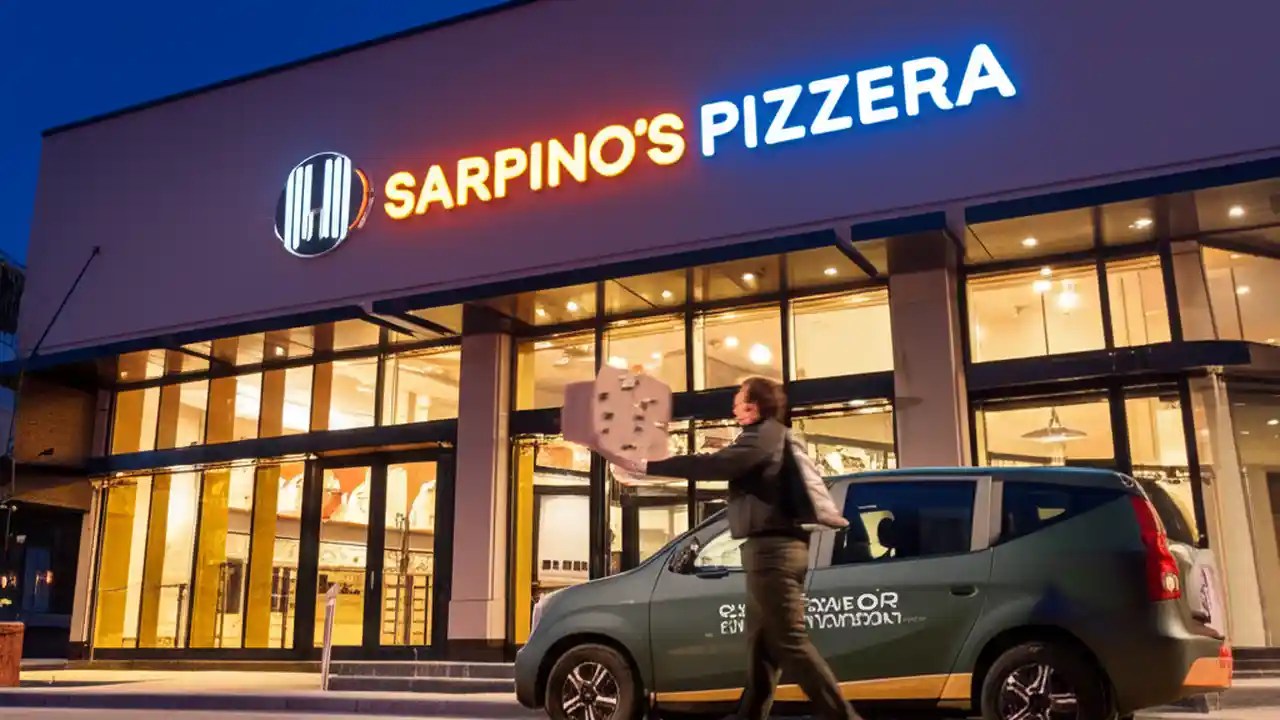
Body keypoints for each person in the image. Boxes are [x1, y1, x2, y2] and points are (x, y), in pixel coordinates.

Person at [614, 377, 860, 720]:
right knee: (763, 648)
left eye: (739, 400)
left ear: (754, 406)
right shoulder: (768, 436)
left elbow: (715, 464)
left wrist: (647, 465)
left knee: (790, 642)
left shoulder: (763, 435)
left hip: (774, 553)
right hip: (770, 551)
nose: (733, 407)